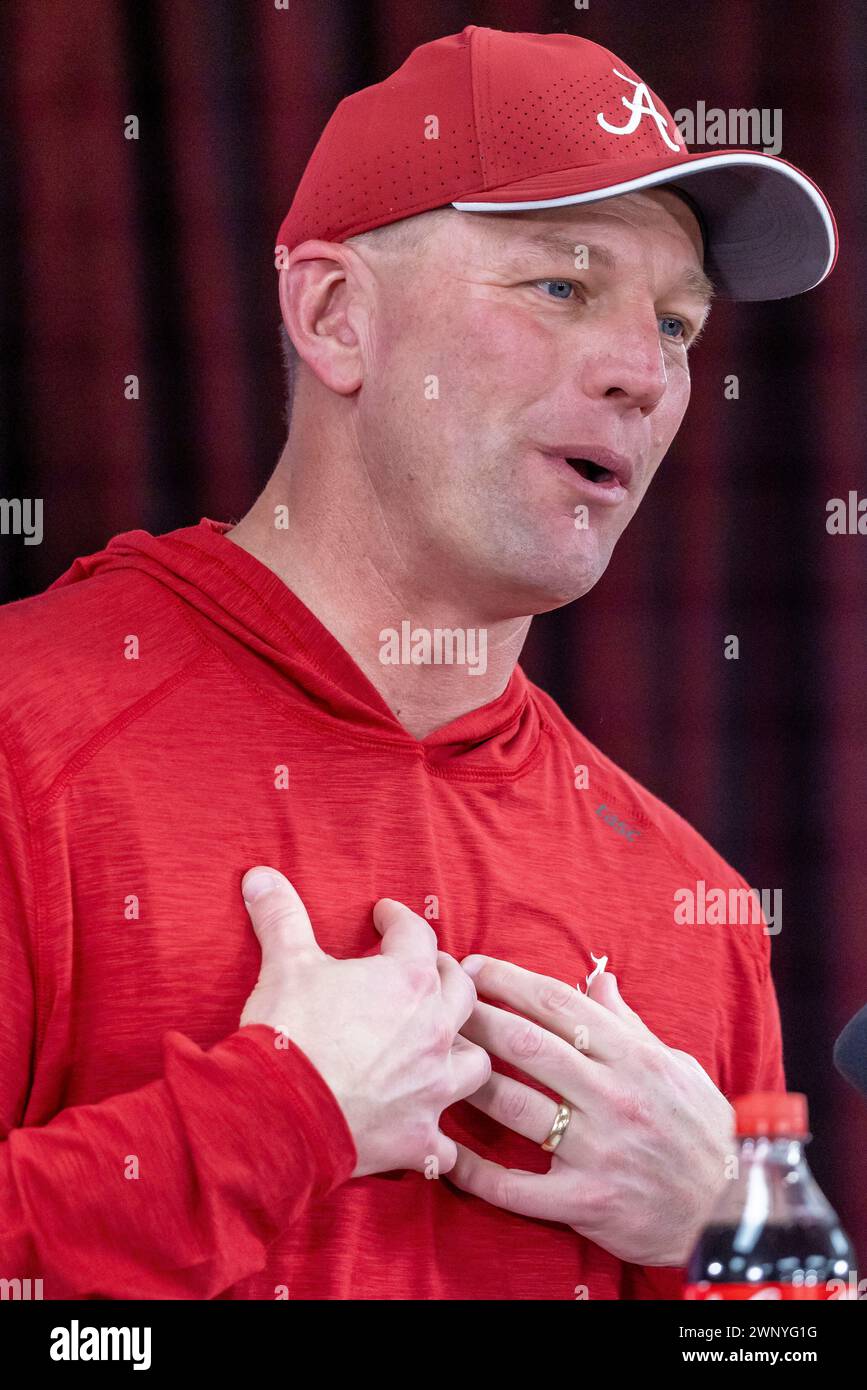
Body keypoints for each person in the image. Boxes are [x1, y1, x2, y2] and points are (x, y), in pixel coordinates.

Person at [0, 27, 837, 1299]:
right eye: (562, 286)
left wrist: (734, 1231)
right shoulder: (26, 741)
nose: (645, 376)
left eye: (677, 324)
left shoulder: (696, 905)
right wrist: (274, 1117)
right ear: (336, 317)